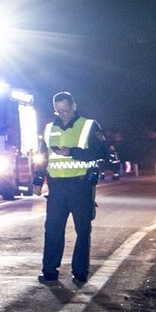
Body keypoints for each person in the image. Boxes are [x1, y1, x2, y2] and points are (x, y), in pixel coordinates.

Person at [40, 90, 109, 285]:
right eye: (59, 112)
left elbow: (101, 151)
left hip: (80, 186)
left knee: (83, 230)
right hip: (56, 188)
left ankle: (80, 272)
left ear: (74, 107)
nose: (63, 115)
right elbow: (42, 155)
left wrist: (72, 152)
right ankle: (49, 271)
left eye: (66, 110)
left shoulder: (88, 125)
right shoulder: (48, 128)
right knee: (53, 229)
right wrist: (38, 180)